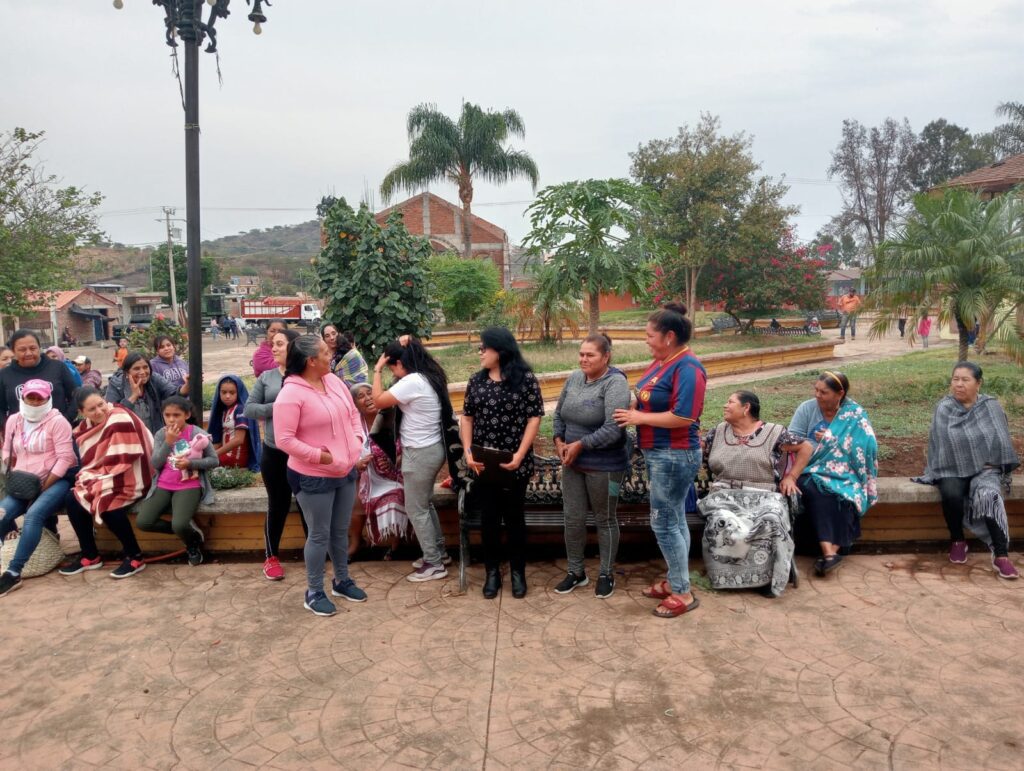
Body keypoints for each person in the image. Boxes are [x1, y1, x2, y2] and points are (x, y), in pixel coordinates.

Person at [614, 303, 706, 618]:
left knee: (664, 522)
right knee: (674, 519)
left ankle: (682, 592)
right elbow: (645, 395)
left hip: (675, 454)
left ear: (669, 336)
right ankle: (675, 580)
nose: (646, 340)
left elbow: (685, 416)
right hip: (659, 454)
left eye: (650, 335)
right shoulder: (663, 362)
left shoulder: (688, 368)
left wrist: (638, 417)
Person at [274, 335, 367, 616]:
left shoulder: (334, 381)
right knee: (318, 534)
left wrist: (357, 437)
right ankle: (314, 591)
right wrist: (320, 456)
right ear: (310, 361)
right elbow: (284, 440)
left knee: (339, 530)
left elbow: (352, 412)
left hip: (345, 468)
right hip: (313, 475)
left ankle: (342, 580)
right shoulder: (290, 394)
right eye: (326, 352)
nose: (331, 355)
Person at [699, 391, 813, 596]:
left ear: (746, 408)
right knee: (722, 521)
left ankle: (767, 580)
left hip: (764, 495)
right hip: (725, 496)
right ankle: (727, 578)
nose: (725, 406)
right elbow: (698, 450)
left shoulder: (774, 433)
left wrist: (791, 477)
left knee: (771, 520)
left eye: (730, 402)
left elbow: (806, 447)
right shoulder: (718, 432)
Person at [914, 362, 1020, 579]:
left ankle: (1001, 555)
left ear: (978, 383)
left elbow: (1000, 440)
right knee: (951, 493)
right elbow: (945, 444)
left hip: (986, 468)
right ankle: (957, 540)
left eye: (965, 380)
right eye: (955, 379)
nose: (959, 385)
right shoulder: (944, 408)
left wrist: (990, 463)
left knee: (989, 495)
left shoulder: (991, 406)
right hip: (950, 466)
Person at [460, 327, 544, 599]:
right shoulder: (476, 381)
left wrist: (519, 455)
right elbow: (468, 418)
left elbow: (534, 417)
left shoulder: (525, 380)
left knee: (515, 519)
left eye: (485, 347)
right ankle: (492, 573)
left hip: (515, 462)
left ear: (501, 350)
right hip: (483, 463)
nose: (481, 352)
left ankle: (518, 573)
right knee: (489, 520)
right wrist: (468, 452)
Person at [551, 333, 630, 598]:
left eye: (590, 355)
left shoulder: (615, 383)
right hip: (571, 462)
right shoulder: (574, 378)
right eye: (581, 354)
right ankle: (576, 572)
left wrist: (580, 445)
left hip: (604, 465)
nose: (583, 359)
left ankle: (606, 573)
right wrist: (560, 441)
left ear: (606, 356)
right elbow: (558, 413)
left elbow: (614, 429)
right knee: (572, 518)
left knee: (604, 519)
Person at [372, 337, 454, 583]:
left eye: (391, 368)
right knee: (424, 505)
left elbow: (378, 400)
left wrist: (376, 369)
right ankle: (438, 552)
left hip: (420, 454)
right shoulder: (427, 376)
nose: (391, 373)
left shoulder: (412, 381)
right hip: (429, 449)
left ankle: (434, 563)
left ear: (398, 363)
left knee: (415, 509)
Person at [59, 387, 154, 579]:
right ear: (82, 412)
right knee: (72, 498)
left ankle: (135, 556)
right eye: (92, 409)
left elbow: (125, 456)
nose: (99, 411)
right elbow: (94, 461)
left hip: (132, 473)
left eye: (101, 404)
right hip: (104, 473)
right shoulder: (84, 427)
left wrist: (99, 477)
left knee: (107, 502)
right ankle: (90, 555)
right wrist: (97, 476)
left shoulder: (118, 416)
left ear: (105, 400)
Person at [793, 371, 878, 576]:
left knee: (846, 495)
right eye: (816, 390)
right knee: (816, 490)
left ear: (839, 394)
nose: (817, 395)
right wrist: (820, 443)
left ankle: (829, 554)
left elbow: (867, 445)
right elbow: (793, 440)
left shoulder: (855, 414)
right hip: (812, 469)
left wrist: (832, 440)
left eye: (824, 392)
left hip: (847, 472)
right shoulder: (807, 409)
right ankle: (830, 552)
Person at [0, 380, 76, 596]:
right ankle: (11, 547)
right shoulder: (14, 419)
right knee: (2, 514)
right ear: (22, 398)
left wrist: (43, 486)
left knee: (33, 515)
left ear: (47, 398)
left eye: (39, 397)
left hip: (54, 481)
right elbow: (6, 450)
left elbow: (65, 458)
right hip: (23, 483)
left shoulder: (58, 421)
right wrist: (15, 468)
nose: (35, 401)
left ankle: (13, 572)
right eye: (30, 397)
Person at [244, 328, 306, 581]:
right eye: (273, 344)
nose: (274, 347)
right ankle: (271, 557)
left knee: (307, 503)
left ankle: (315, 553)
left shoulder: (305, 376)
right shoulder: (267, 377)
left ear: (293, 347)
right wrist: (279, 406)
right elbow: (249, 409)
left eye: (279, 343)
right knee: (277, 504)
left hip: (303, 452)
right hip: (274, 450)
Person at [135, 395, 218, 566]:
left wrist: (191, 463)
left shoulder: (197, 433)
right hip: (164, 484)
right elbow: (156, 462)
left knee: (179, 524)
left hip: (189, 485)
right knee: (144, 522)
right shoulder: (161, 434)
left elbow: (214, 460)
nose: (171, 419)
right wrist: (168, 442)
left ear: (186, 415)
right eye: (167, 415)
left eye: (176, 415)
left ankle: (192, 543)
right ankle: (191, 531)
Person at [349, 382, 410, 558]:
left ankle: (396, 544)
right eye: (361, 396)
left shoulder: (391, 419)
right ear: (354, 404)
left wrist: (394, 461)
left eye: (370, 393)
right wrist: (357, 464)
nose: (368, 398)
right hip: (362, 477)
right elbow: (344, 453)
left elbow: (407, 449)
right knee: (356, 499)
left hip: (393, 477)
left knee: (396, 495)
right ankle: (355, 543)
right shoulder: (352, 427)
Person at [0, 329, 79, 431]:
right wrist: (8, 427)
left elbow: (76, 396)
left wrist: (65, 419)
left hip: (58, 434)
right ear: (13, 352)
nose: (28, 353)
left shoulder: (58, 367)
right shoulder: (5, 374)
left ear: (39, 348)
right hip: (21, 439)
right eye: (22, 350)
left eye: (33, 348)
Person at [105, 352, 186, 434]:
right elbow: (112, 416)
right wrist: (133, 396)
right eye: (137, 369)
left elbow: (173, 393)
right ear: (127, 373)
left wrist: (187, 385)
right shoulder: (116, 384)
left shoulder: (153, 378)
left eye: (145, 367)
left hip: (154, 436)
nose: (143, 372)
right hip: (129, 438)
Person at [208, 375, 261, 471]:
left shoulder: (240, 409)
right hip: (225, 454)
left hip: (236, 457)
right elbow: (220, 440)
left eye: (232, 393)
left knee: (200, 464)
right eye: (224, 392)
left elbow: (239, 440)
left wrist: (214, 454)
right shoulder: (224, 411)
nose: (227, 396)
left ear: (239, 392)